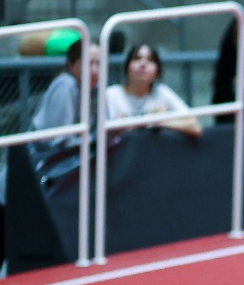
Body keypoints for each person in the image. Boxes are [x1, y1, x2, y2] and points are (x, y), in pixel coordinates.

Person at [27, 32, 90, 184]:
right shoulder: (66, 85)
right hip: (39, 170)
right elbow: (60, 141)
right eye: (88, 63)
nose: (94, 69)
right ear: (72, 64)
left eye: (99, 63)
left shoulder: (94, 90)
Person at [105, 42, 201, 138]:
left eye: (150, 60)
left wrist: (161, 121)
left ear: (157, 71)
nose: (143, 64)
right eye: (137, 58)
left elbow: (194, 126)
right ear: (127, 67)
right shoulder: (111, 95)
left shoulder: (162, 93)